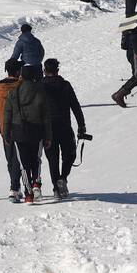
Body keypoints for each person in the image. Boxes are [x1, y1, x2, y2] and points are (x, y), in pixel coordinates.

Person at [4, 64, 52, 201]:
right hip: (37, 131)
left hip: (19, 132)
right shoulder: (40, 92)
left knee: (23, 164)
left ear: (21, 76)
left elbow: (8, 115)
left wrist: (7, 134)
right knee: (36, 159)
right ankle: (36, 183)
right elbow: (46, 117)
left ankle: (29, 194)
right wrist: (48, 136)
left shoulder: (14, 93)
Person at [42, 59, 86, 197]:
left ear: (44, 70)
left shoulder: (41, 86)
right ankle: (63, 177)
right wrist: (81, 125)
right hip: (65, 126)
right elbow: (75, 106)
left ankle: (56, 189)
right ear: (57, 70)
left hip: (47, 129)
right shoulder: (65, 85)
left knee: (52, 159)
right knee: (70, 155)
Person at [0, 59, 24, 202]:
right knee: (21, 159)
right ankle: (15, 188)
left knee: (10, 159)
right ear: (17, 72)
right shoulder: (21, 86)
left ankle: (14, 187)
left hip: (5, 129)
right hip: (21, 128)